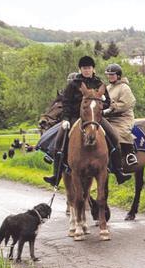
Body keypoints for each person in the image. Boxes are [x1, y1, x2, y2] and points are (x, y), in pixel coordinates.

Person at [43, 56, 131, 186]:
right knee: (60, 139)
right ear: (80, 69)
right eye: (84, 68)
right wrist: (66, 119)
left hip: (95, 118)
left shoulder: (99, 83)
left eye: (89, 68)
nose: (87, 70)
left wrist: (103, 106)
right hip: (75, 117)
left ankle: (119, 172)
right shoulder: (73, 84)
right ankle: (56, 175)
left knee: (113, 136)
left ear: (93, 69)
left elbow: (107, 101)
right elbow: (66, 102)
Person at [104, 64, 138, 167]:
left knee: (120, 132)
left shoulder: (124, 87)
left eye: (112, 74)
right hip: (109, 117)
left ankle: (129, 154)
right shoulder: (107, 87)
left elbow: (127, 104)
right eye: (108, 74)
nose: (110, 76)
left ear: (118, 75)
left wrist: (112, 108)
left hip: (123, 117)